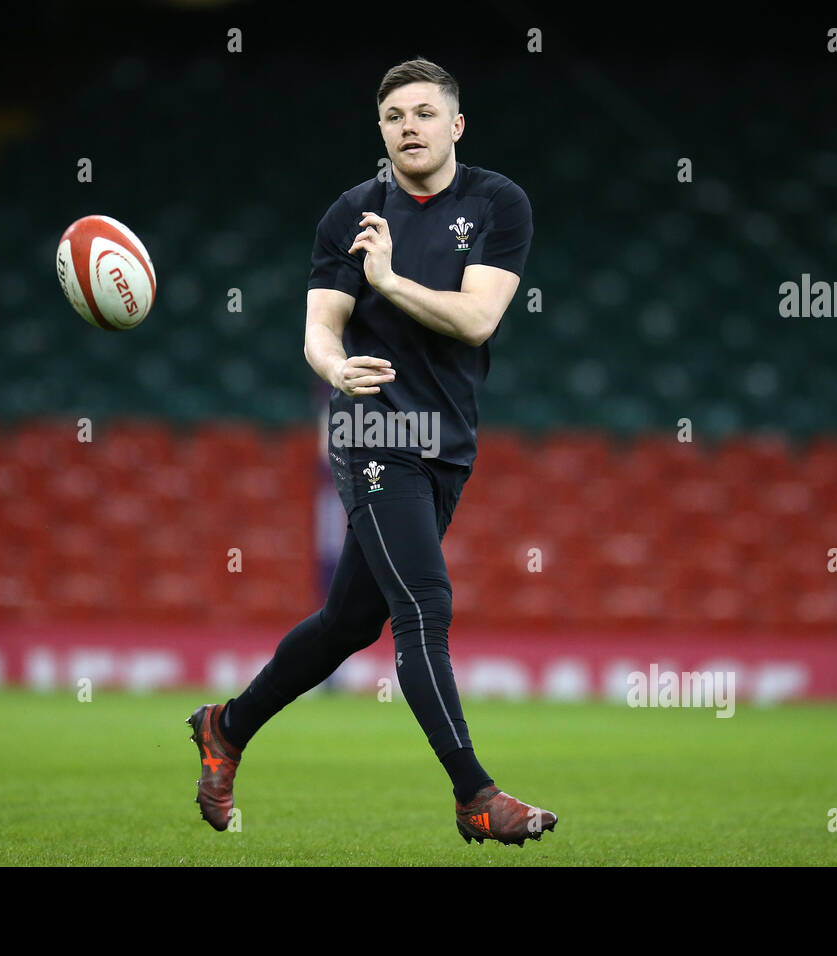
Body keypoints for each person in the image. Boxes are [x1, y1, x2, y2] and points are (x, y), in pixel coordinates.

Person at [186, 57, 557, 846]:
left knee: (349, 622)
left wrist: (387, 279)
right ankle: (475, 795)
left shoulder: (498, 203)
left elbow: (476, 320)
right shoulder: (351, 213)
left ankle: (226, 725)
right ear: (381, 130)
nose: (409, 127)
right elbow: (321, 328)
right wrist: (332, 366)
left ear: (456, 125)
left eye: (425, 113)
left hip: (448, 440)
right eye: (395, 117)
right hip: (374, 433)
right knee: (425, 606)